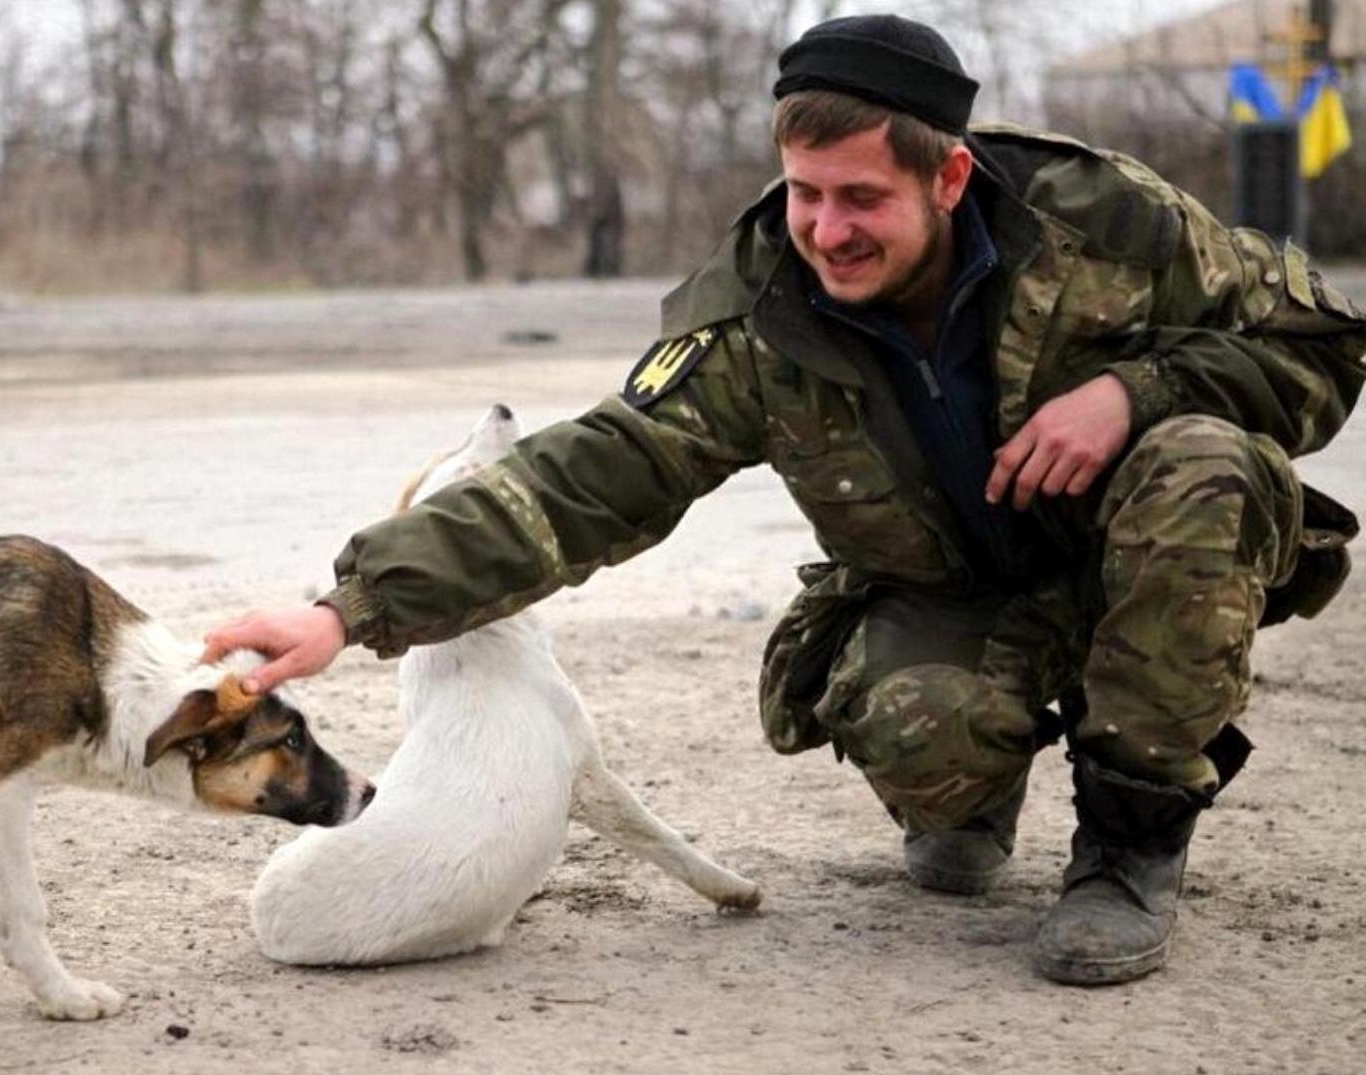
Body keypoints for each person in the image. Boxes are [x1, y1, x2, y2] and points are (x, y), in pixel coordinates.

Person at [202, 14, 1365, 985]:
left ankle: (1129, 846)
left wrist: (1135, 388)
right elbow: (590, 475)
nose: (825, 229)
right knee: (922, 726)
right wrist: (348, 609)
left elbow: (1326, 348)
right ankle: (972, 784)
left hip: (1143, 551)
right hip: (951, 589)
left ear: (950, 175)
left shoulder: (1107, 218)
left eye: (861, 197)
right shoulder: (756, 309)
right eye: (805, 193)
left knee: (1203, 463)